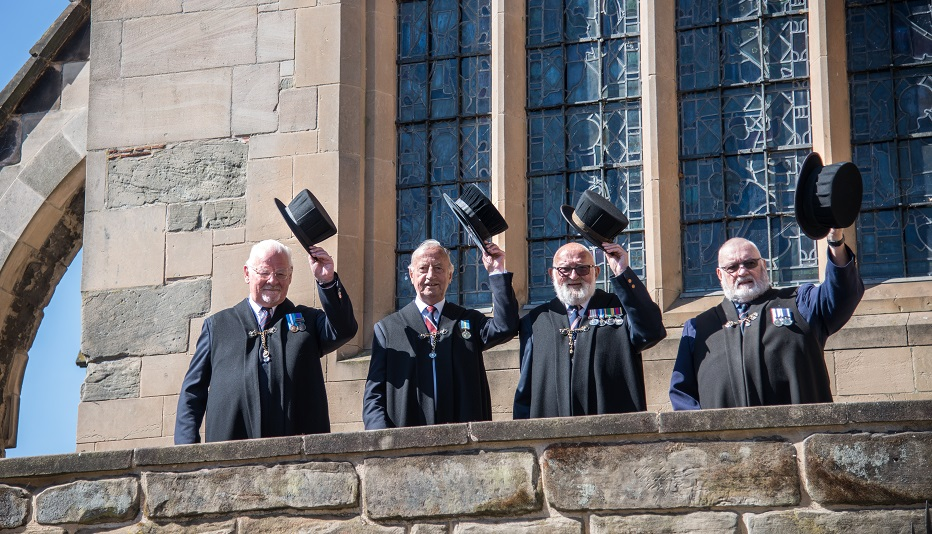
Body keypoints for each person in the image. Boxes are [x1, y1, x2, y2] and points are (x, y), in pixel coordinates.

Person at [175, 239, 357, 443]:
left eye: (281, 273)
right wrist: (187, 452)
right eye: (264, 272)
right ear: (247, 274)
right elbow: (193, 392)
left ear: (290, 277)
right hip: (229, 456)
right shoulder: (217, 327)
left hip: (300, 457)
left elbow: (344, 329)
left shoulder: (309, 321)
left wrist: (327, 281)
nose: (273, 280)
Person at [669, 229, 864, 410]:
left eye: (750, 263)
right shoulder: (698, 327)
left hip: (799, 438)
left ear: (764, 265)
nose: (742, 271)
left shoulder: (800, 302)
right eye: (732, 267)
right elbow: (681, 394)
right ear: (720, 274)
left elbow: (841, 295)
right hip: (726, 444)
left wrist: (835, 242)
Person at [362, 239, 519, 429]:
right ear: (411, 275)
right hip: (406, 439)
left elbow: (506, 327)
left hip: (465, 438)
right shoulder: (388, 329)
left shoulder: (467, 320)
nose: (430, 275)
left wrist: (496, 272)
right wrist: (382, 440)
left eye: (438, 268)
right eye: (423, 268)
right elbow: (374, 395)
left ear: (450, 275)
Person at [513, 241, 667, 419]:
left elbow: (652, 331)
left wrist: (622, 272)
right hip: (551, 436)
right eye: (564, 269)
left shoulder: (623, 310)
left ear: (596, 272)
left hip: (615, 432)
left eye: (582, 268)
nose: (573, 275)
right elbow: (525, 390)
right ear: (552, 274)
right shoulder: (534, 322)